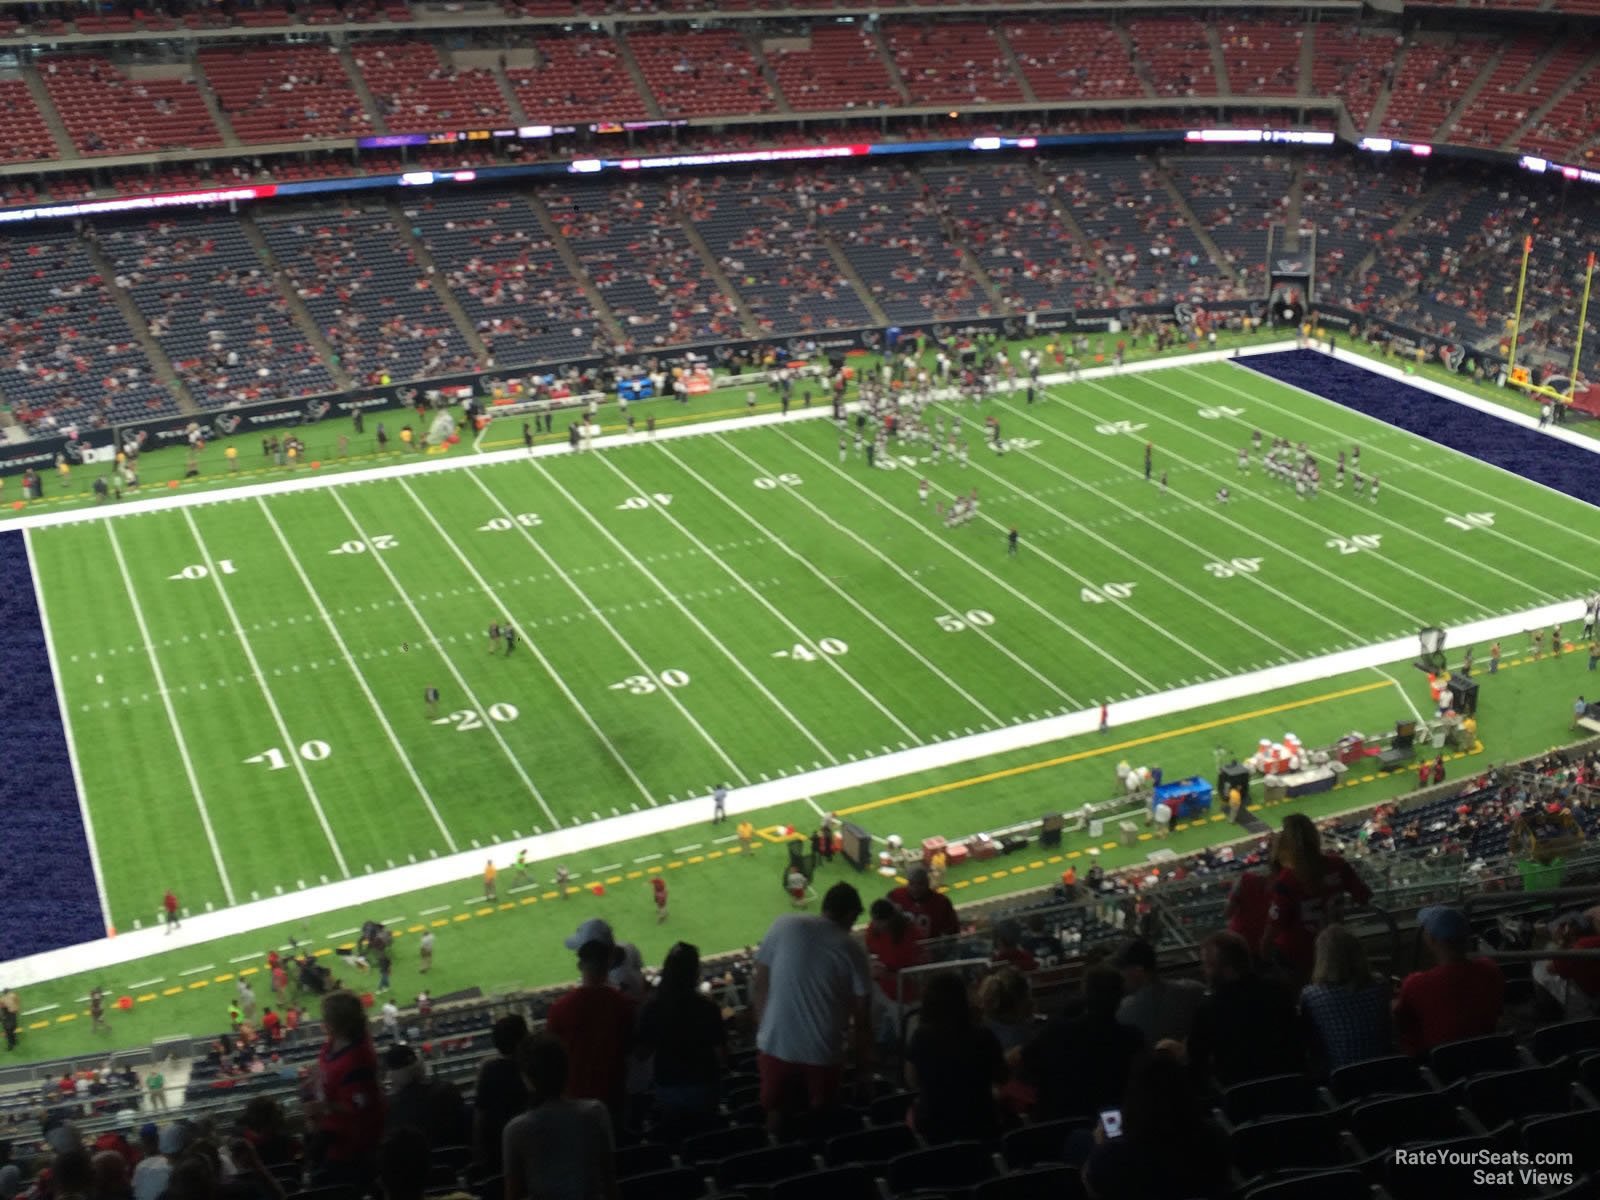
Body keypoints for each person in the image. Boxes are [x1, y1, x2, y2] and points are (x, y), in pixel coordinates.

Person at [752, 882, 873, 1135]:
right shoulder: (853, 950)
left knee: (776, 1116)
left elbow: (760, 981)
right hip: (823, 1053)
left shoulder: (784, 924)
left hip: (775, 1046)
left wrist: (764, 1030)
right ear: (851, 915)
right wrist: (863, 1070)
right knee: (821, 1121)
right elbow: (862, 1019)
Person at [1080, 1049, 1231, 1200]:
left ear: (1133, 1098)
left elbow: (1093, 1190)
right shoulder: (1215, 1138)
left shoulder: (1112, 1158)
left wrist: (1099, 1149)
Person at [501, 1034, 617, 1200]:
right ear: (566, 1069)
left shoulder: (516, 1129)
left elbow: (513, 1195)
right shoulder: (596, 1112)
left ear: (527, 1078)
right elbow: (610, 1183)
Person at [1020, 966, 1143, 1123]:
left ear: (1084, 995)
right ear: (1120, 999)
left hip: (1060, 1125)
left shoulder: (1057, 1031)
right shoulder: (1133, 1038)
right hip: (1112, 1123)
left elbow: (1027, 1065)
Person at [1261, 813, 1371, 980]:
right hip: (1335, 951)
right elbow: (1364, 896)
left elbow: (1273, 929)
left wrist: (1263, 954)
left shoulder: (1288, 879)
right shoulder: (1338, 865)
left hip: (1298, 956)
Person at [1186, 932, 1305, 1086]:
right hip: (1294, 1093)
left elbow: (1197, 1061)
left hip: (1246, 1103)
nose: (1204, 971)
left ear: (1228, 969)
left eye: (1208, 965)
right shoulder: (1279, 992)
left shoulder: (1209, 1009)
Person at [635, 942, 726, 1133]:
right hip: (703, 1083)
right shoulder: (707, 1007)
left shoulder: (653, 1008)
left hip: (668, 1083)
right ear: (695, 973)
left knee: (675, 1134)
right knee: (707, 1135)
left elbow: (642, 1053)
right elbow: (722, 1055)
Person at [904, 975, 1006, 1144]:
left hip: (935, 1128)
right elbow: (1002, 1076)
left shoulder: (920, 1037)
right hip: (982, 1124)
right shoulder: (983, 1036)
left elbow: (911, 1080)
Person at [544, 940, 635, 1128]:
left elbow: (551, 1055)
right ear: (609, 964)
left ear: (579, 965)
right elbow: (631, 1048)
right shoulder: (623, 1004)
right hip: (613, 1092)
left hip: (574, 1096)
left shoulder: (560, 1008)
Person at [1393, 906, 1505, 1055]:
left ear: (1431, 939)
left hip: (1438, 1067)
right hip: (1487, 1054)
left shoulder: (1415, 984)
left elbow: (1402, 1024)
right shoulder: (1490, 969)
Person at [309, 991, 385, 1186]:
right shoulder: (337, 1042)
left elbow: (359, 1108)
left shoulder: (357, 1059)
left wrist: (324, 1106)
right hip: (332, 1132)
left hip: (349, 1143)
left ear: (337, 1023)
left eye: (326, 1017)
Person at [1300, 926, 1392, 1072]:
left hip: (1341, 1080)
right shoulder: (1380, 986)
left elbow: (1311, 1043)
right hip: (1385, 1072)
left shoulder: (1312, 996)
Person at [1113, 938, 1204, 1047]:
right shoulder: (1194, 989)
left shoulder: (1123, 1012)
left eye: (1122, 968)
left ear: (1138, 970)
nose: (1120, 974)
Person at [382, 1045, 469, 1149]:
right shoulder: (447, 1089)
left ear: (392, 1074)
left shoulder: (390, 1105)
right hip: (456, 1159)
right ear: (420, 1066)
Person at [472, 1015, 528, 1171]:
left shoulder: (488, 1069)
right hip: (529, 1151)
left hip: (497, 1153)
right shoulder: (531, 1068)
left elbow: (479, 1116)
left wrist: (479, 1153)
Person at [887, 865, 959, 939]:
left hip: (930, 948)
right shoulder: (895, 896)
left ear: (928, 883)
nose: (915, 888)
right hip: (902, 947)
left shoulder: (942, 902)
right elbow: (881, 923)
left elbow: (952, 931)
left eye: (920, 884)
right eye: (912, 883)